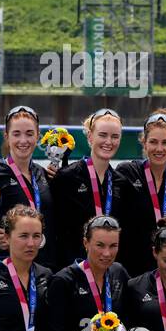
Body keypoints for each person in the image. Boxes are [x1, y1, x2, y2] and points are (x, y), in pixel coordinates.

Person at [0, 104, 57, 267]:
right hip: (10, 266)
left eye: (29, 134)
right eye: (16, 134)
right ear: (7, 136)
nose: (23, 140)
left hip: (47, 266)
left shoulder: (44, 175)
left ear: (37, 136)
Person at [50, 108, 128, 270]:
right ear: (90, 136)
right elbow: (54, 228)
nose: (109, 141)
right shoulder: (66, 177)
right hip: (72, 269)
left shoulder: (121, 183)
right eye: (103, 135)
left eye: (115, 136)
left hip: (108, 269)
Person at [115, 109, 166, 277]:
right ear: (144, 142)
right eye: (153, 142)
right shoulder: (127, 172)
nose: (159, 149)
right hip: (132, 267)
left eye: (165, 142)